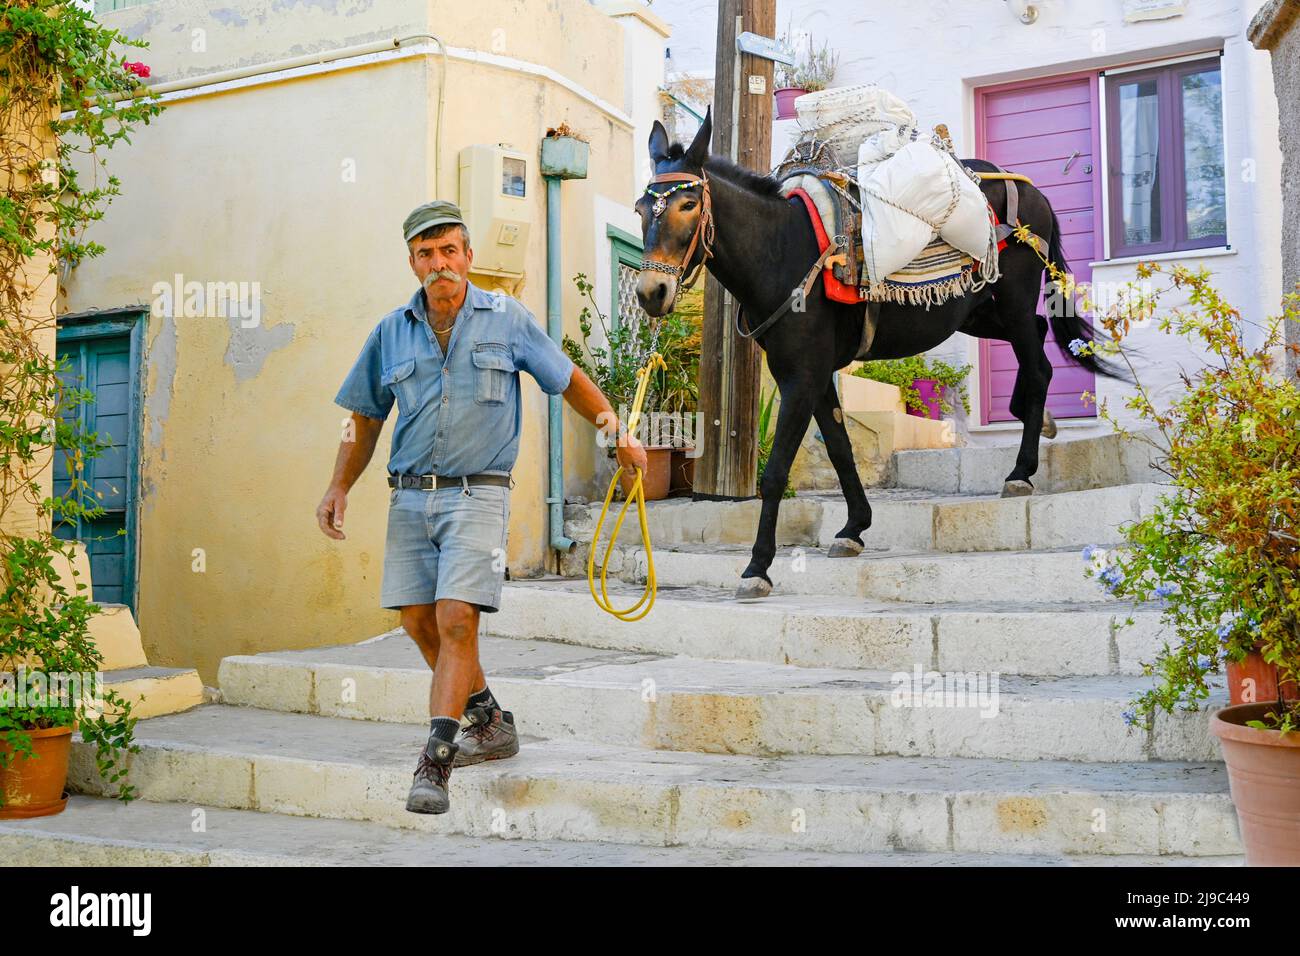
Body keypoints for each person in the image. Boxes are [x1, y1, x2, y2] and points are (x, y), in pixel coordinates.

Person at [317, 200, 647, 814]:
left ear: (468, 256)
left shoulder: (507, 319)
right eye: (426, 253)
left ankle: (435, 763)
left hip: (479, 492)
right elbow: (362, 419)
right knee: (417, 621)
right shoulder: (390, 332)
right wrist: (339, 486)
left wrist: (616, 431)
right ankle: (489, 720)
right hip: (409, 496)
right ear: (412, 262)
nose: (439, 264)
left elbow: (567, 377)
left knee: (455, 619)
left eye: (449, 250)